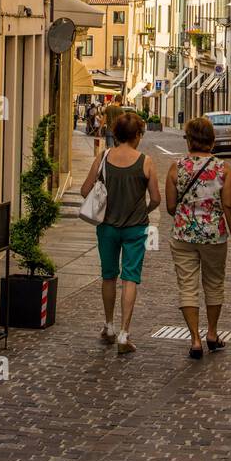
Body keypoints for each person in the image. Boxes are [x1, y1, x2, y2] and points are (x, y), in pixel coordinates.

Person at [80, 110, 160, 356]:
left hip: (107, 228)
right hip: (135, 227)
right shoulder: (145, 161)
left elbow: (85, 190)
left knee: (108, 276)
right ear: (137, 135)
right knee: (130, 278)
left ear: (115, 134)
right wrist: (142, 209)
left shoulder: (103, 157)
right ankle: (125, 333)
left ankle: (109, 326)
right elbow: (156, 198)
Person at [166, 116, 231, 360]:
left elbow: (169, 206)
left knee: (187, 286)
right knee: (214, 283)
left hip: (183, 234)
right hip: (214, 236)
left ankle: (195, 340)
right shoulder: (223, 168)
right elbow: (228, 205)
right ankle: (211, 333)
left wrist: (187, 211)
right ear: (211, 140)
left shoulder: (176, 167)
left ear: (189, 140)